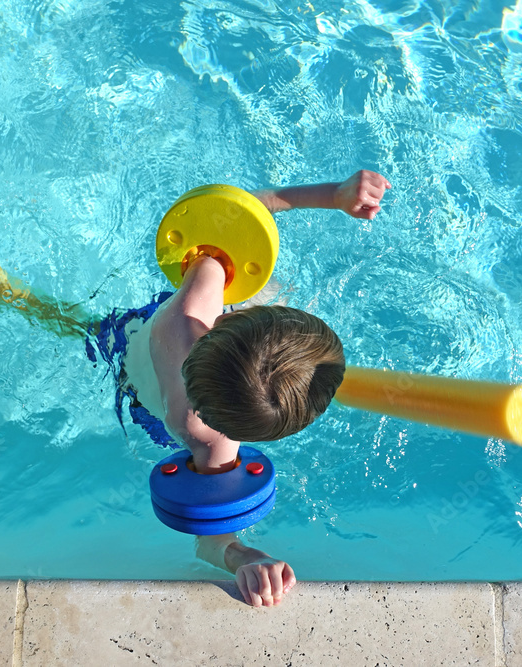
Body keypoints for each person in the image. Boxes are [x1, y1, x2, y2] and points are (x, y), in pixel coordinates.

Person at [88, 169, 391, 607]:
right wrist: (244, 556)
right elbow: (210, 537)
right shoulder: (211, 438)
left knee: (276, 291)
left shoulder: (198, 293)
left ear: (227, 319)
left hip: (123, 342)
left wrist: (332, 193)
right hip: (150, 408)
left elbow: (234, 211)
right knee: (280, 291)